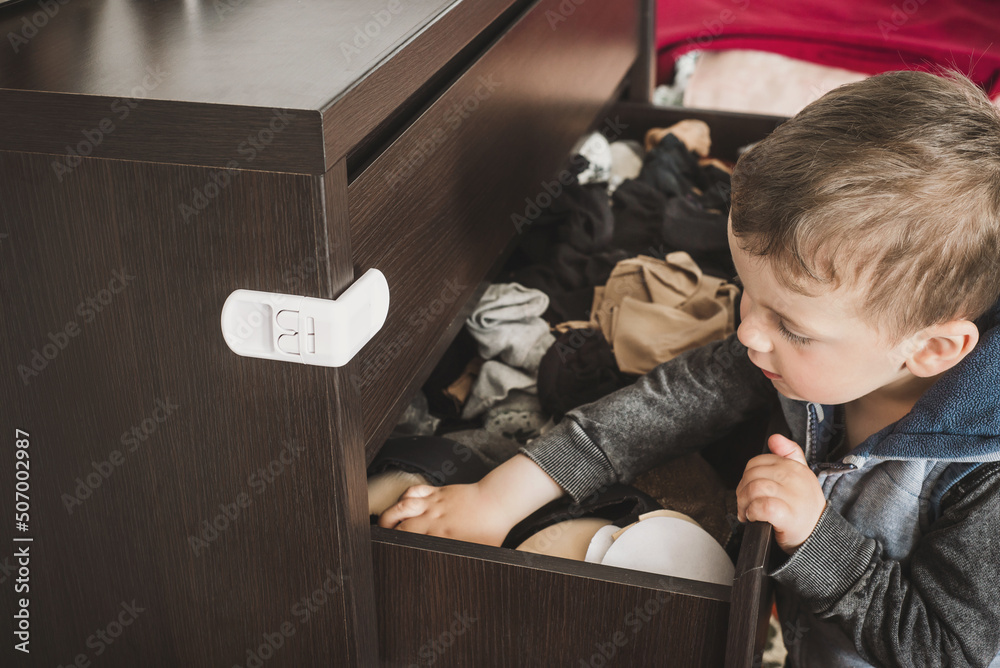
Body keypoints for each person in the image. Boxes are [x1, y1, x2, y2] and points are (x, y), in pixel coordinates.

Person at [378, 69, 1000, 667]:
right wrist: (498, 496)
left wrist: (817, 540)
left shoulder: (984, 478)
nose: (748, 332)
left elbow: (944, 649)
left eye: (792, 326)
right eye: (745, 292)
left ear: (933, 349)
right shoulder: (802, 352)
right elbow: (663, 407)